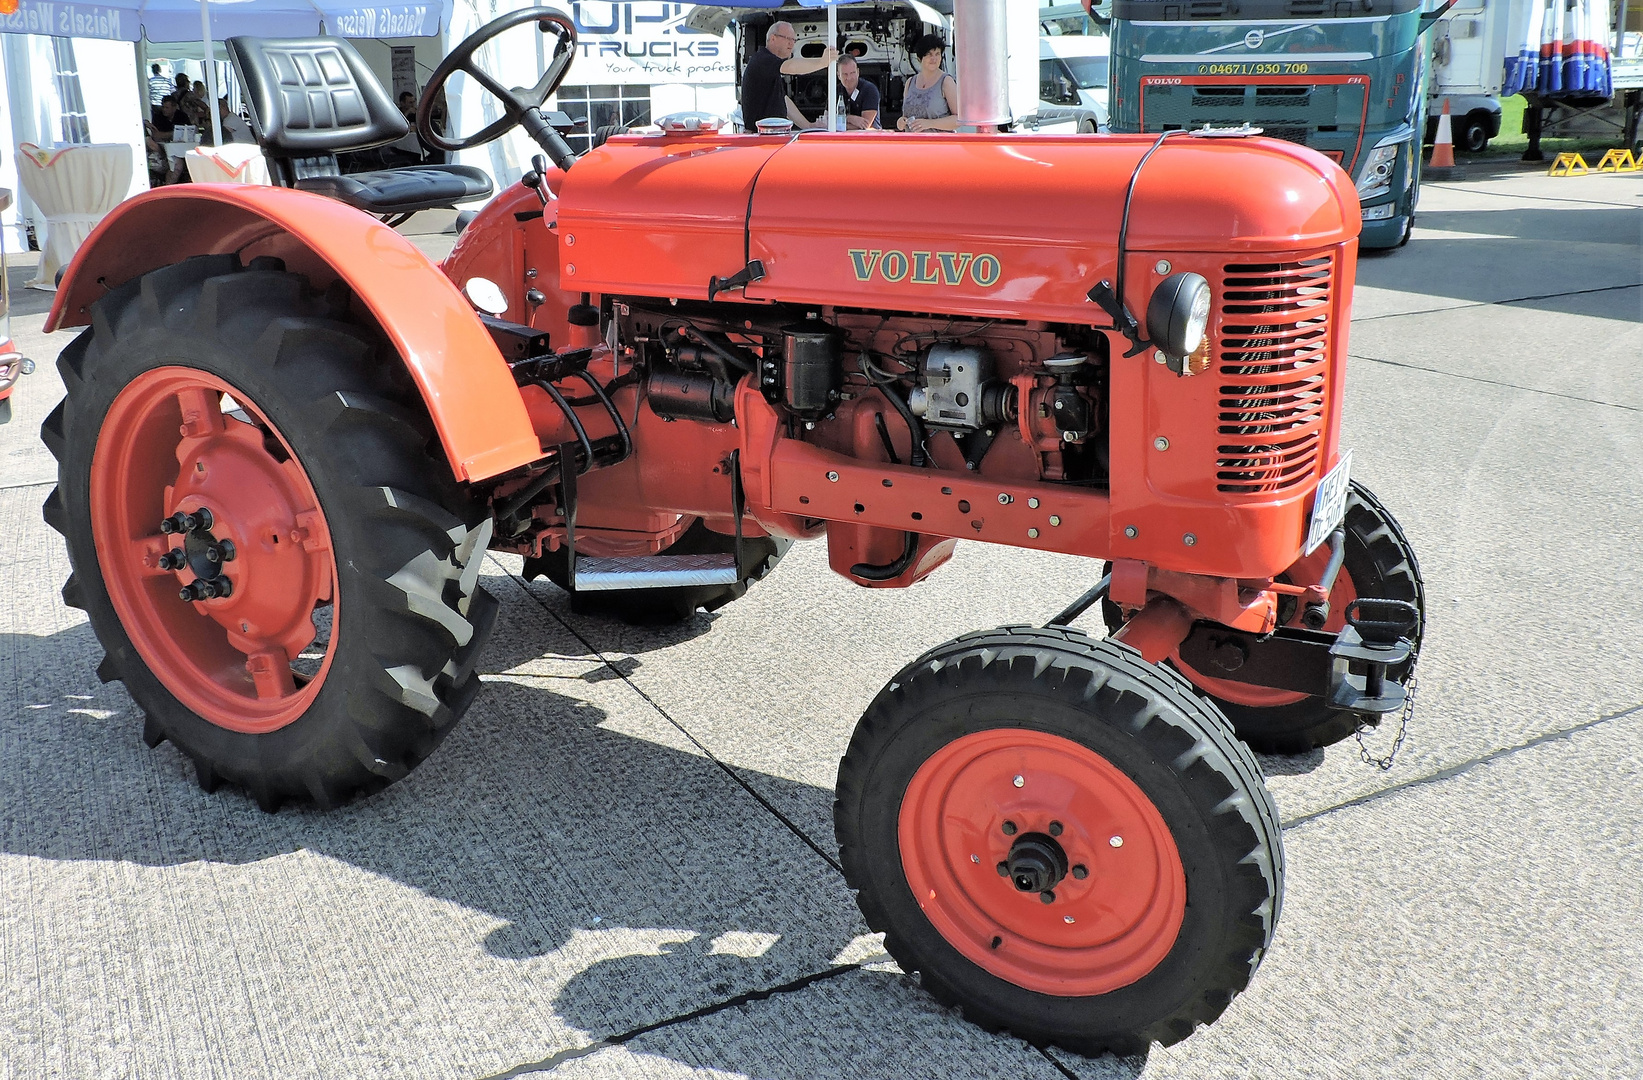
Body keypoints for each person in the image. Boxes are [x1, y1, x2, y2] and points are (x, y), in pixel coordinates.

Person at [741, 19, 837, 130]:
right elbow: (791, 66)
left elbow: (784, 101)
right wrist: (821, 63)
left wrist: (808, 126)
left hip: (771, 135)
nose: (792, 44)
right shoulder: (762, 60)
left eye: (794, 40)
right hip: (760, 137)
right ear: (773, 38)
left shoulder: (769, 66)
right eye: (788, 39)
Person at [896, 34, 958, 132]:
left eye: (937, 54)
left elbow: (958, 119)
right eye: (929, 54)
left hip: (939, 144)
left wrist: (930, 123)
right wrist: (901, 122)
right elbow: (905, 116)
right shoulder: (910, 82)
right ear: (919, 58)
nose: (934, 58)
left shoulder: (946, 81)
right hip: (913, 144)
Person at [837, 55, 880, 130]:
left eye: (852, 73)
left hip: (868, 137)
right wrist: (849, 118)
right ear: (838, 75)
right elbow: (827, 118)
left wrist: (838, 124)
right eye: (845, 74)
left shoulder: (869, 90)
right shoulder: (836, 90)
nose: (849, 78)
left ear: (858, 72)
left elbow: (865, 125)